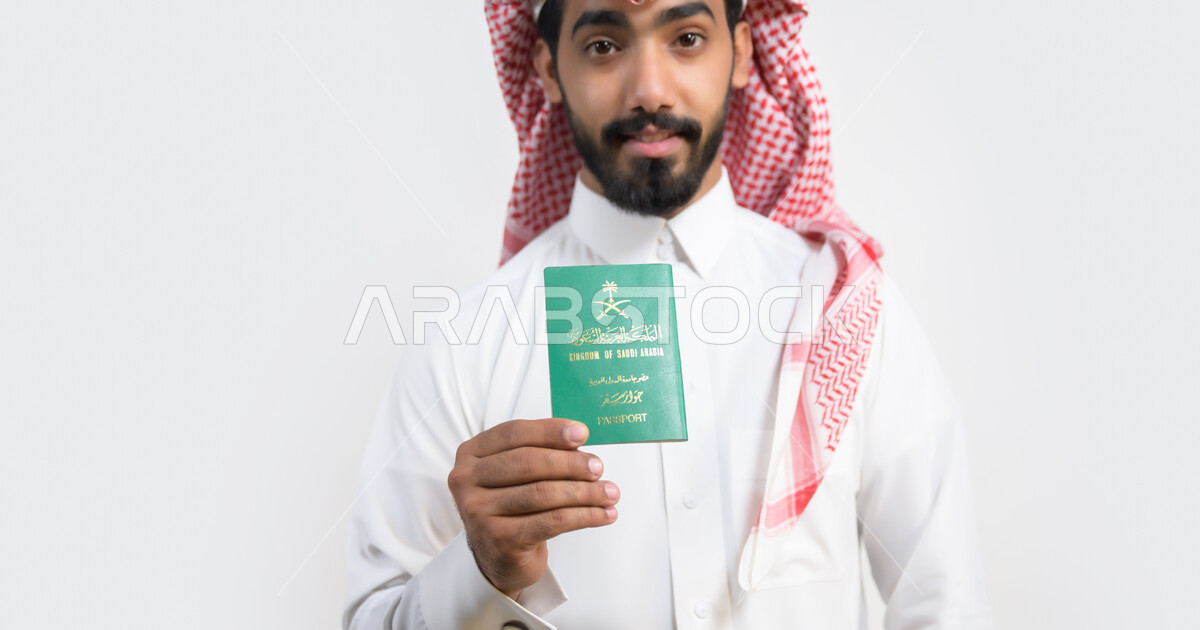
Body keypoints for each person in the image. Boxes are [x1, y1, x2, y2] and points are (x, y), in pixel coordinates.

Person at [344, 0, 993, 628]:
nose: (650, 91)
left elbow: (947, 608)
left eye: (686, 38)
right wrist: (479, 576)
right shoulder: (465, 345)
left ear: (742, 52)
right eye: (604, 45)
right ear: (547, 69)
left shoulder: (847, 311)